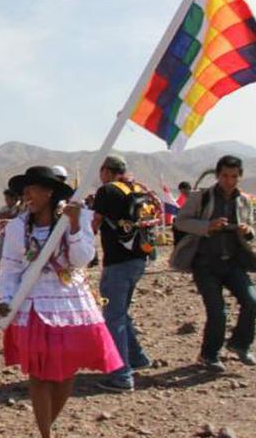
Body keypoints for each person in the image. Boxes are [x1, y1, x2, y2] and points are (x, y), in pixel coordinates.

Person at [0, 166, 121, 438]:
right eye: (24, 191)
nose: (26, 196)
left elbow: (82, 259)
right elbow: (10, 267)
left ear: (49, 192)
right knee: (39, 372)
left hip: (69, 303)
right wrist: (5, 298)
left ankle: (48, 426)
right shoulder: (17, 227)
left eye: (32, 190)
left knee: (66, 371)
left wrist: (75, 226)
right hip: (33, 303)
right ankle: (45, 433)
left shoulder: (75, 218)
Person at [171, 155, 256, 372]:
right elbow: (181, 221)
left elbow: (249, 225)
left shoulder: (244, 200)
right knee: (218, 312)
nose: (229, 181)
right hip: (205, 264)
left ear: (240, 177)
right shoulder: (201, 197)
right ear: (218, 175)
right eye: (225, 176)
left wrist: (247, 231)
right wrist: (208, 226)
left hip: (233, 263)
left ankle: (240, 344)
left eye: (234, 176)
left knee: (253, 302)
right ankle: (209, 355)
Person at [92, 154, 156, 392]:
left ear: (106, 170)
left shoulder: (107, 190)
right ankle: (138, 357)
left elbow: (95, 222)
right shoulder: (137, 188)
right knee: (121, 313)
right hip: (140, 257)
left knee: (113, 317)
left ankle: (121, 375)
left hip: (117, 261)